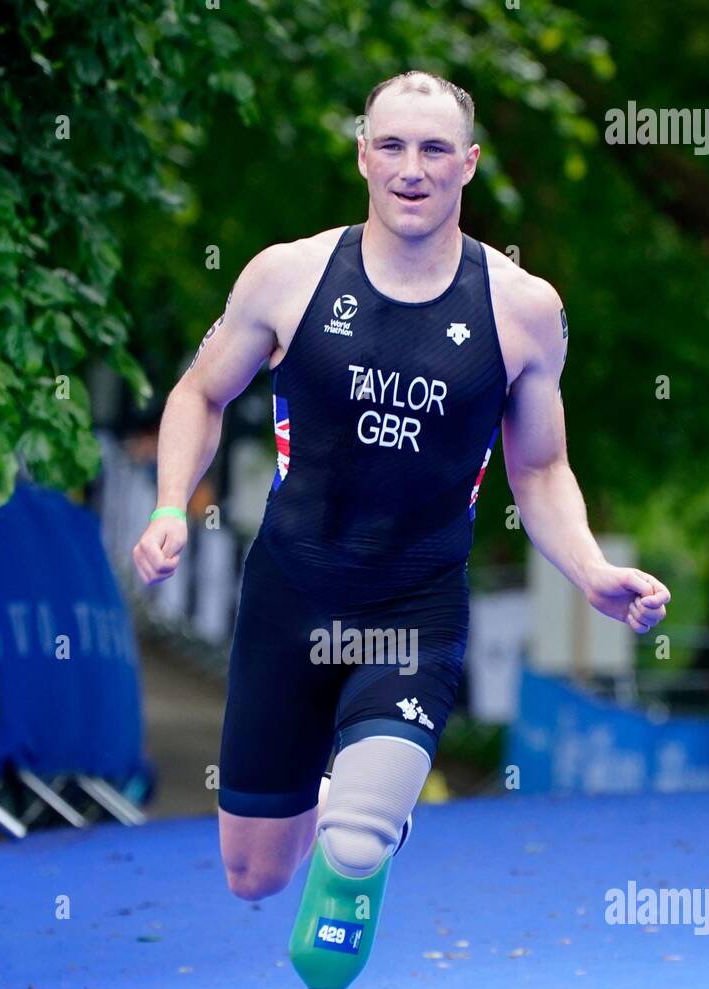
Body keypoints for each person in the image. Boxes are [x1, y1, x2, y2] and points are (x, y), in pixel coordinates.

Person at [133, 67, 670, 910]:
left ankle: (369, 814)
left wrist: (591, 571)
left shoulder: (523, 308)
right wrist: (170, 505)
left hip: (412, 610)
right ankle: (347, 798)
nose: (410, 167)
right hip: (289, 599)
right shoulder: (287, 275)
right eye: (390, 146)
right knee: (254, 876)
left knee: (350, 843)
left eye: (432, 149)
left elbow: (538, 468)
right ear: (362, 158)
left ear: (468, 163)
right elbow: (199, 393)